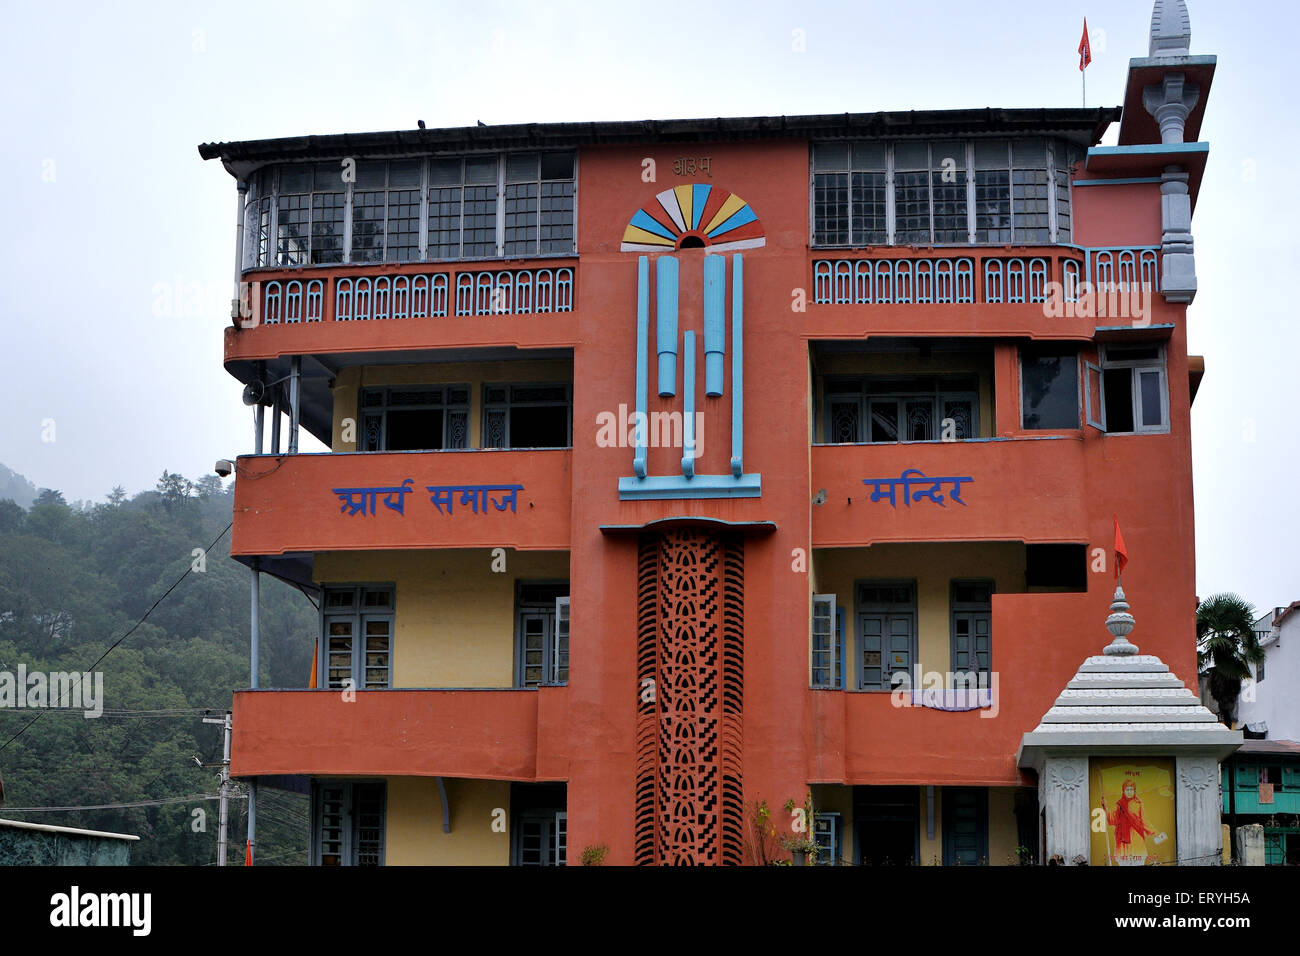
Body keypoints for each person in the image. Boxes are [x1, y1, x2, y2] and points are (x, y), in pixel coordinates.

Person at [1101, 777, 1165, 865]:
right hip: (1122, 842)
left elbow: (1144, 821)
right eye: (1127, 789)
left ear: (1134, 791)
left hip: (1136, 838)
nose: (1129, 792)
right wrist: (1105, 807)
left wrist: (1155, 833)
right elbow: (1113, 819)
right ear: (1123, 791)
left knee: (1138, 862)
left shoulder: (1138, 804)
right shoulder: (1119, 804)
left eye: (1131, 789)